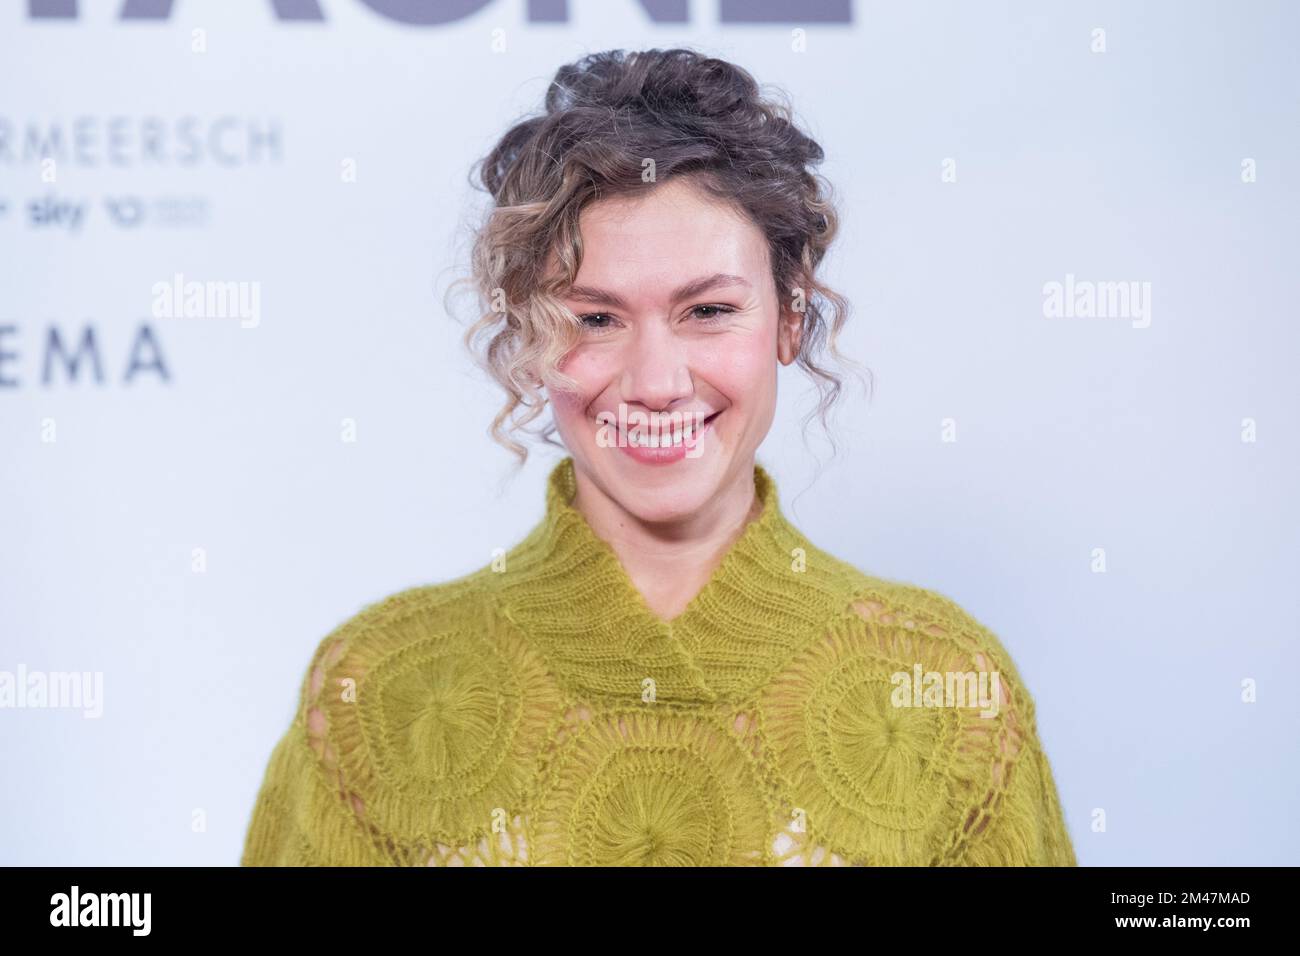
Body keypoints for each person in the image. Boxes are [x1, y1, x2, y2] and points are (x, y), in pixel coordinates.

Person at [241, 47, 1076, 867]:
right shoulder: (379, 689)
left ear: (791, 318)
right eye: (594, 320)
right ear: (528, 338)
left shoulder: (947, 688)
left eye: (708, 310)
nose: (655, 381)